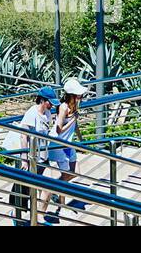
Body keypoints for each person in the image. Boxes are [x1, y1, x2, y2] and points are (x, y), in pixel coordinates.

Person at [45, 77, 90, 222]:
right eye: (78, 94)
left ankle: (54, 189)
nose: (81, 96)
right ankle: (61, 205)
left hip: (68, 143)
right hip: (58, 143)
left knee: (75, 171)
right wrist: (73, 119)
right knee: (66, 175)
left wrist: (81, 141)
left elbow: (74, 125)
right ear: (72, 94)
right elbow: (58, 129)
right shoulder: (63, 107)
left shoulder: (75, 104)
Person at [11, 88, 57, 225]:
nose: (51, 105)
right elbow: (23, 135)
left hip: (43, 157)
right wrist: (24, 158)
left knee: (49, 186)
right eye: (50, 102)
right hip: (32, 158)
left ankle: (39, 216)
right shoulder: (32, 113)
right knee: (25, 188)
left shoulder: (47, 113)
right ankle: (16, 214)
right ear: (42, 100)